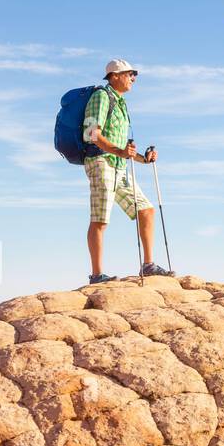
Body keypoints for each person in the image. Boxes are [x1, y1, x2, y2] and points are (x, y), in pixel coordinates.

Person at [81, 59, 173, 283]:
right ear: (114, 76)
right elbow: (91, 133)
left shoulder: (121, 104)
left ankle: (148, 265)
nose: (133, 78)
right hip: (101, 162)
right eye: (129, 74)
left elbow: (124, 149)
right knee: (100, 219)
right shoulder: (101, 97)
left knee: (146, 210)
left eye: (134, 75)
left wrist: (144, 159)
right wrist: (119, 151)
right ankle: (96, 275)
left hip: (119, 166)